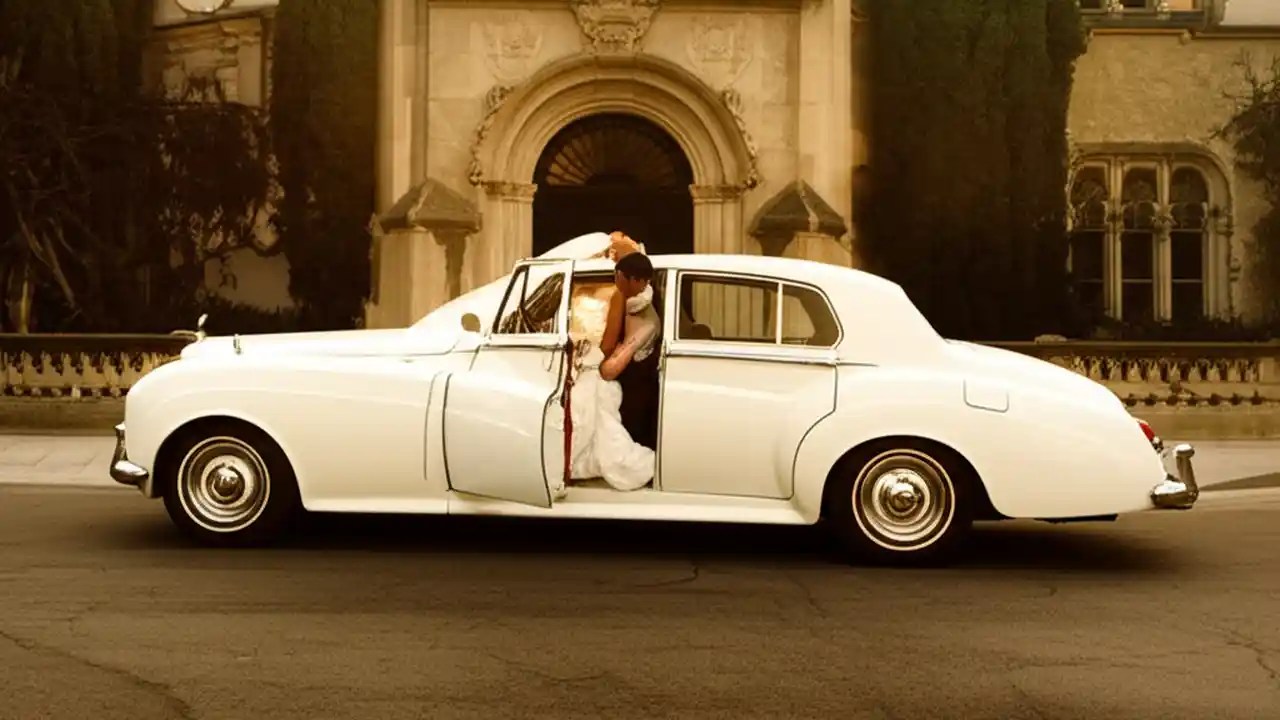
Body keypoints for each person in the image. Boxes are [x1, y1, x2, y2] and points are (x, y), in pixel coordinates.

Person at [553, 248, 661, 497]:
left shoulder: (633, 310)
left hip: (608, 372)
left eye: (620, 275)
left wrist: (588, 360)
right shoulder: (625, 300)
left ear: (634, 280)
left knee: (585, 403)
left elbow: (609, 357)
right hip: (598, 364)